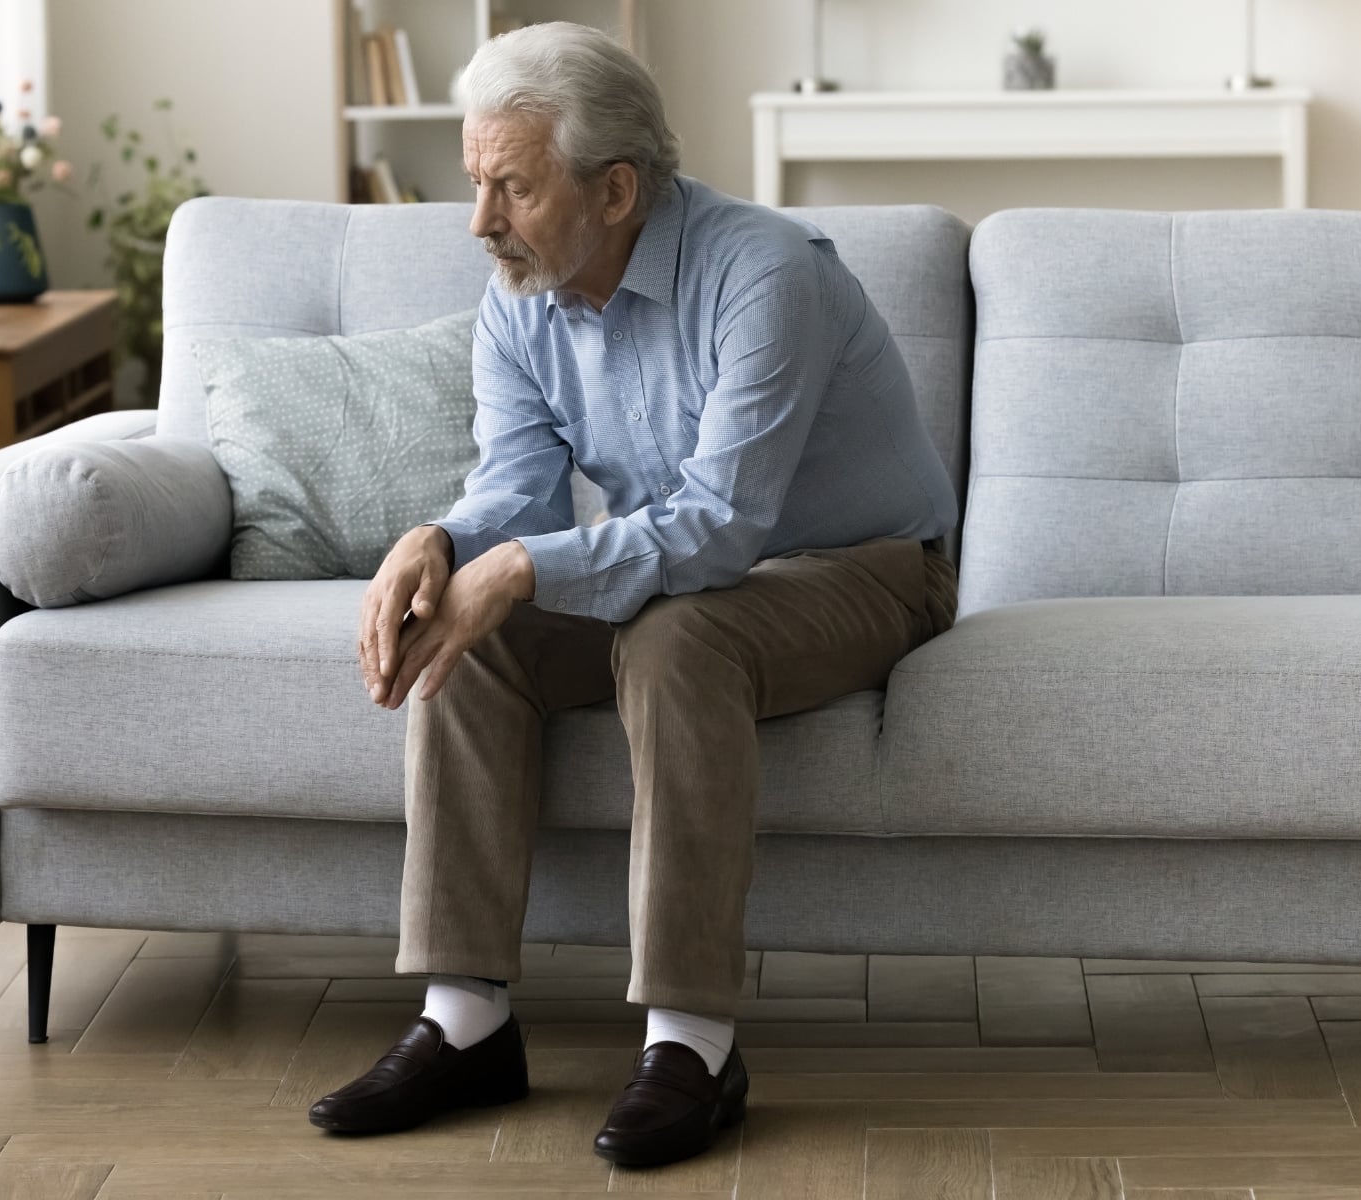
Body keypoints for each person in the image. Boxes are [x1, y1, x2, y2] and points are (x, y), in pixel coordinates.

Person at [307, 20, 960, 1168]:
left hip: (865, 570)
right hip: (689, 575)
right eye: (476, 182)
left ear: (615, 190)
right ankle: (465, 1022)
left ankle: (692, 1044)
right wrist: (446, 542)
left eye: (510, 186)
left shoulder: (766, 273)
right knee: (473, 630)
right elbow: (515, 486)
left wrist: (519, 568)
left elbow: (720, 528)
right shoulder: (520, 291)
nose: (479, 220)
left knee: (673, 639)